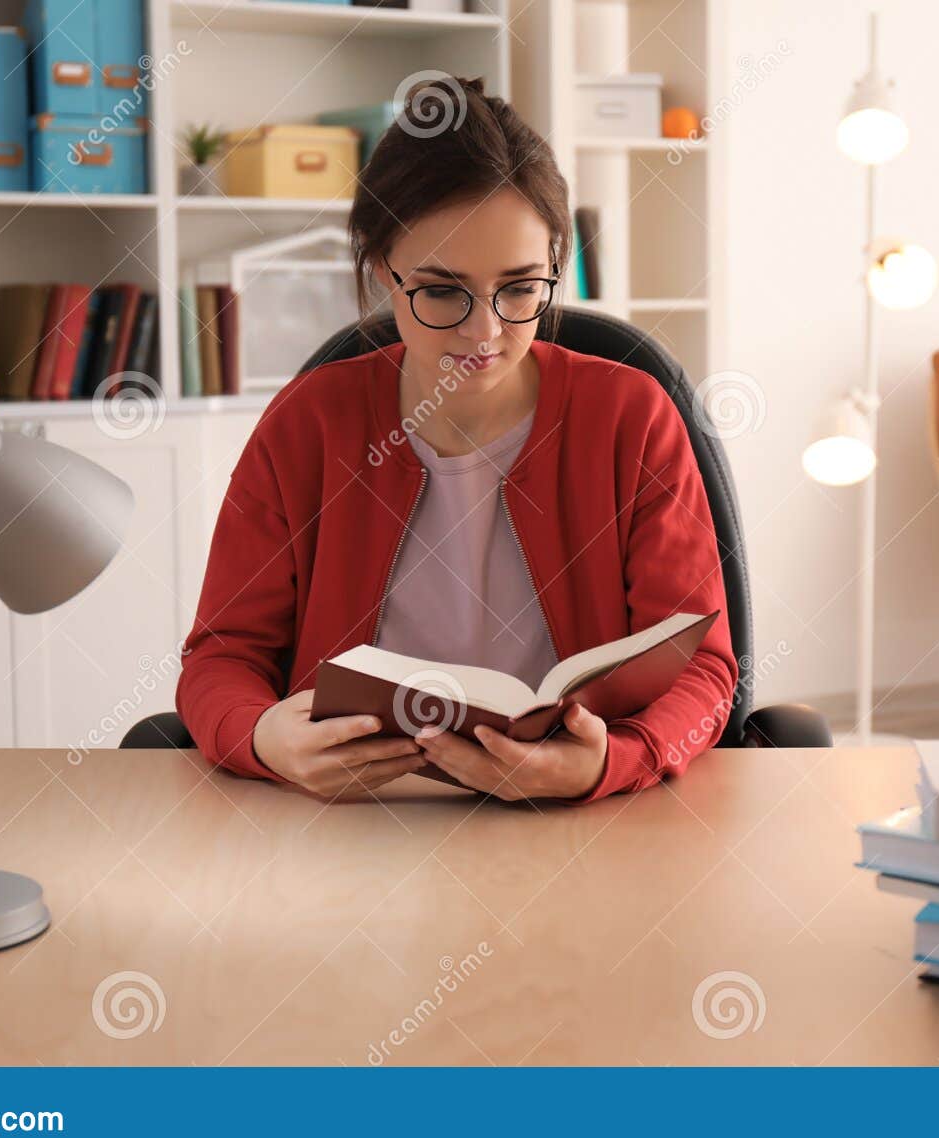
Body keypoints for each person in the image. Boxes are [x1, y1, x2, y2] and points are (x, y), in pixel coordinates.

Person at [176, 76, 736, 805]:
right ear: (383, 273)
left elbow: (706, 673)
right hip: (354, 824)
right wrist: (261, 737)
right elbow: (220, 658)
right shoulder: (308, 424)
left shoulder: (632, 415)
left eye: (521, 287)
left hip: (569, 821)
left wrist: (612, 762)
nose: (486, 331)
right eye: (442, 291)